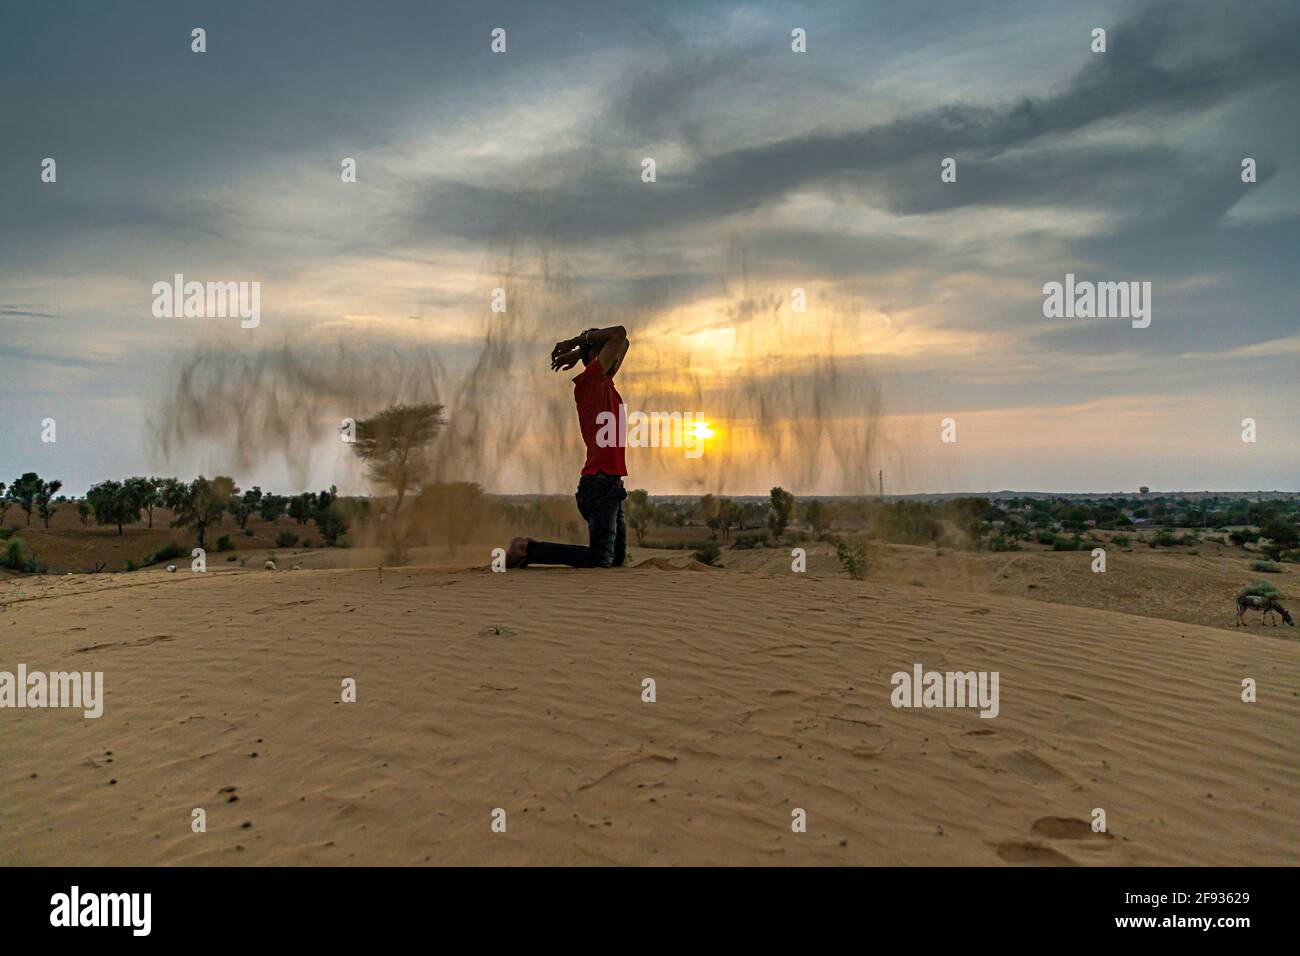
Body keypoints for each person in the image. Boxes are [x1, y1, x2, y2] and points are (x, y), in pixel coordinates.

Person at [505, 325, 630, 568]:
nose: (617, 357)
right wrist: (576, 343)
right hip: (598, 486)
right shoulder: (591, 382)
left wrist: (578, 351)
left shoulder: (605, 383)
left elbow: (624, 343)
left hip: (611, 488)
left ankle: (529, 549)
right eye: (608, 352)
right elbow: (619, 334)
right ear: (596, 356)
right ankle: (526, 549)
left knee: (614, 562)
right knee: (599, 559)